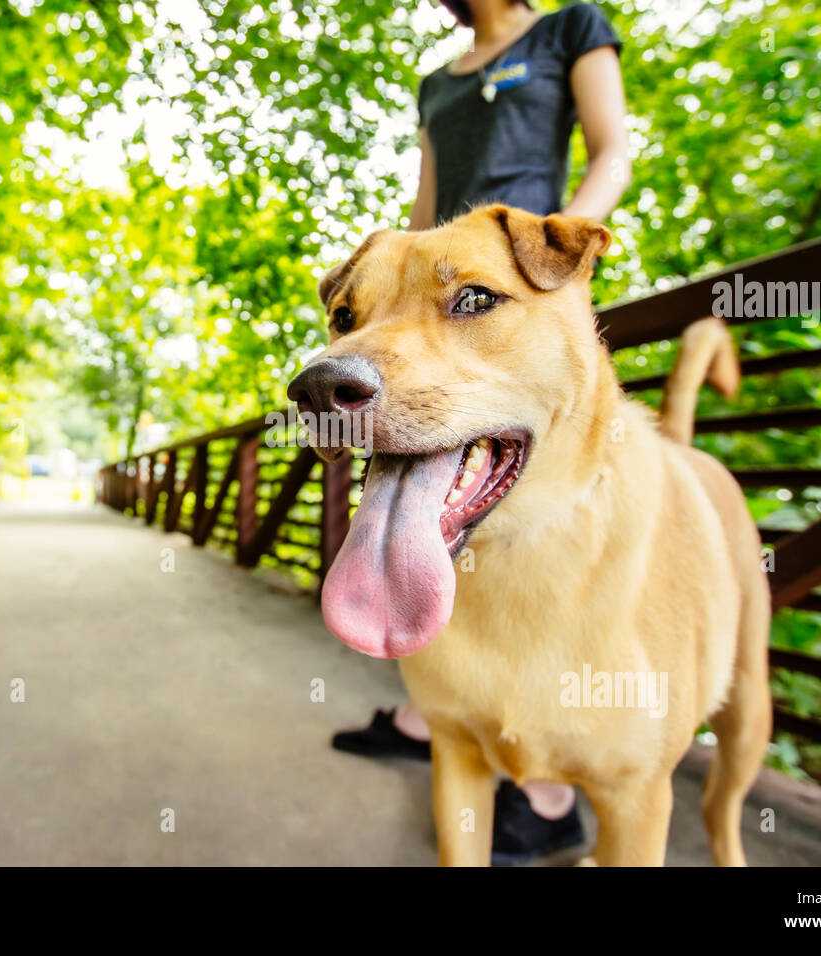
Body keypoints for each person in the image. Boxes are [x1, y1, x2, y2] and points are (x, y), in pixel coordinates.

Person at [331, 0, 630, 865]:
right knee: (438, 509)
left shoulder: (572, 24)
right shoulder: (439, 79)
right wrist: (393, 309)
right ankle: (437, 712)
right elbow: (424, 210)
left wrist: (556, 269)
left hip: (524, 275)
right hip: (435, 300)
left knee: (558, 528)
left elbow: (611, 147)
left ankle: (546, 786)